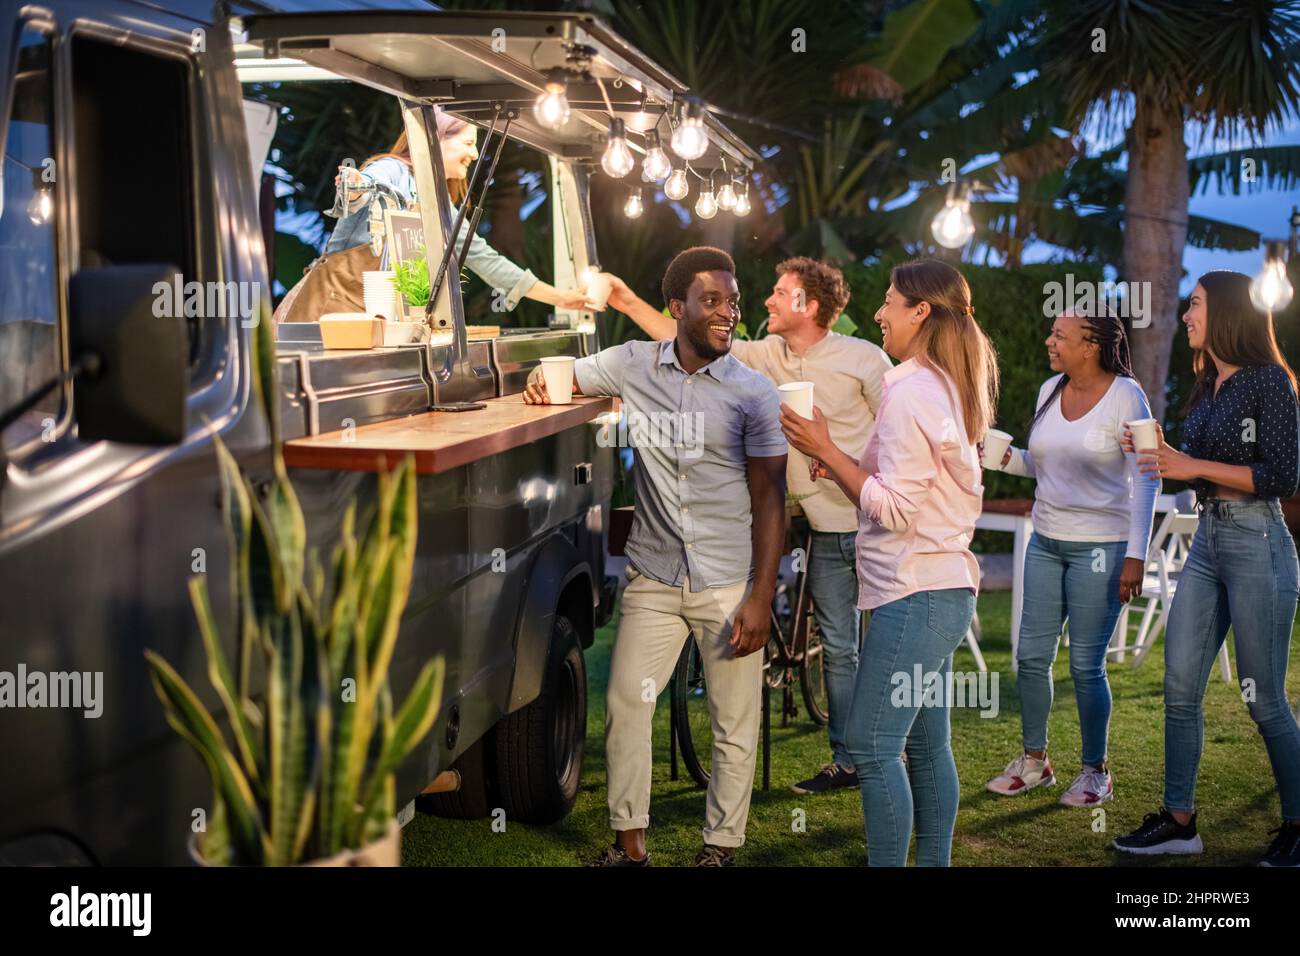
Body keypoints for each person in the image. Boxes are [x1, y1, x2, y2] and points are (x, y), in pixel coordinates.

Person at [523, 246, 788, 867]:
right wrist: (544, 377)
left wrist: (760, 595)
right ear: (678, 308)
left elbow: (771, 497)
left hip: (728, 582)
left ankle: (719, 848)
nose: (729, 312)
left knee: (732, 722)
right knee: (625, 705)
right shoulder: (634, 364)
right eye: (713, 301)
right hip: (655, 577)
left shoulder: (754, 393)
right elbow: (567, 372)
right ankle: (630, 847)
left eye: (733, 300)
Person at [605, 258, 892, 795]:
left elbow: (897, 434)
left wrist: (851, 465)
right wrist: (623, 301)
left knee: (877, 645)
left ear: (807, 304)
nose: (765, 302)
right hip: (816, 521)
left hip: (867, 522)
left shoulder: (864, 359)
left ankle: (882, 757)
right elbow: (681, 334)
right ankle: (848, 760)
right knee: (838, 643)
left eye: (781, 293)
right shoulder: (765, 356)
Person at [781, 258, 997, 866]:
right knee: (927, 750)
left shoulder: (908, 385)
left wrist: (826, 448)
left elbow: (897, 510)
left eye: (889, 303)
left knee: (873, 746)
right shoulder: (945, 383)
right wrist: (842, 461)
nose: (878, 314)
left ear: (919, 312)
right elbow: (904, 487)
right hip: (939, 592)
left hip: (914, 594)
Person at [1112, 271, 1300, 867]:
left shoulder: (1270, 382)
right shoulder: (1208, 384)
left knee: (1264, 697)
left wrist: (1188, 462)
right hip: (1209, 543)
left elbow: (1281, 477)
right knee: (1178, 684)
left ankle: (1297, 822)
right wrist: (1160, 459)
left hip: (1258, 542)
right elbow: (1199, 469)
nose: (1186, 316)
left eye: (1194, 306)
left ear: (1224, 313)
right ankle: (1179, 819)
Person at [983, 312, 1160, 807]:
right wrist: (1002, 458)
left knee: (1085, 664)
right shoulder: (1049, 389)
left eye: (1060, 335)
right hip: (1047, 541)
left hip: (1102, 548)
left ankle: (1094, 771)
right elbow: (1041, 465)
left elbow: (1148, 476)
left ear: (1092, 347)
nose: (1049, 340)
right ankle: (1035, 761)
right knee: (1031, 657)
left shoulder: (1127, 396)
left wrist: (1135, 556)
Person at [322, 109, 590, 312]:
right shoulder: (394, 170)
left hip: (378, 318)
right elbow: (369, 182)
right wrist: (356, 185)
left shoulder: (439, 203)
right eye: (468, 143)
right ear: (437, 139)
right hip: (334, 309)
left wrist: (563, 299)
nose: (474, 154)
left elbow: (486, 260)